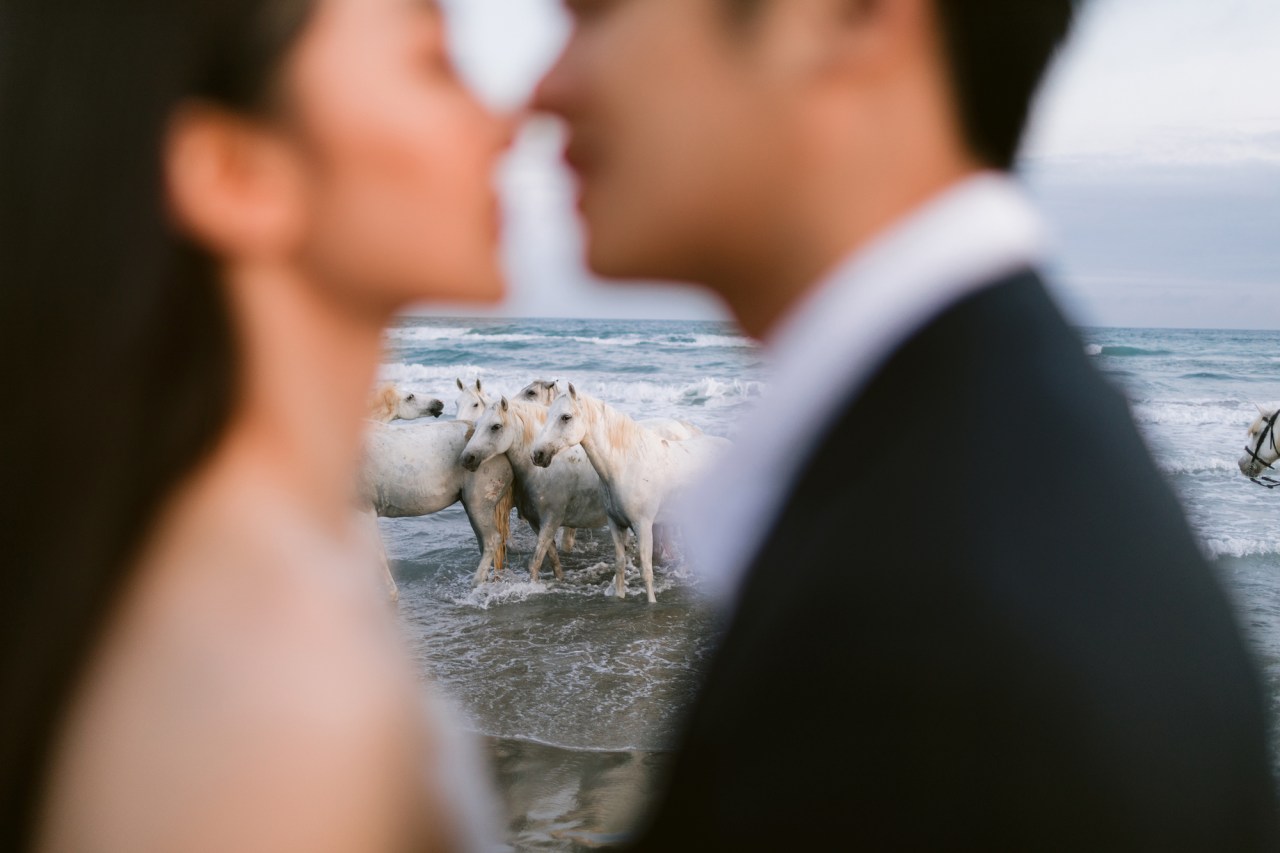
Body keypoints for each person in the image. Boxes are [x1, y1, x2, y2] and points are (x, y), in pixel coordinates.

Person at [533, 0, 1280, 847]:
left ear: (854, 18)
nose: (542, 88)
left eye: (596, 14)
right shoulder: (990, 463)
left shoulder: (934, 634)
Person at [0, 0, 507, 848]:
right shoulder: (280, 707)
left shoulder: (228, 570)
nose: (504, 121)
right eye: (433, 64)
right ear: (234, 173)